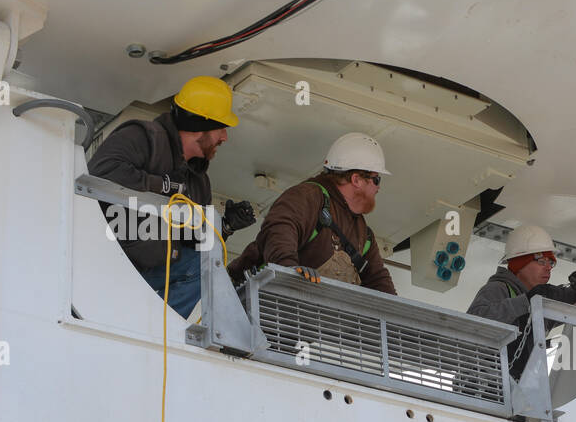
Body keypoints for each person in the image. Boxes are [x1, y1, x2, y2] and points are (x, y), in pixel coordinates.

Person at [88, 76, 253, 318]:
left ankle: (158, 327)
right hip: (105, 259)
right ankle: (147, 326)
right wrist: (166, 187)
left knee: (207, 267)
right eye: (221, 127)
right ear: (200, 124)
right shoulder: (143, 137)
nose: (224, 137)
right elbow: (101, 171)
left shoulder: (199, 181)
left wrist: (225, 228)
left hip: (148, 271)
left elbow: (196, 247)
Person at [227, 133, 396, 294]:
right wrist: (288, 271)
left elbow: (378, 280)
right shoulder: (307, 197)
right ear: (356, 179)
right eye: (376, 179)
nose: (378, 187)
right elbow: (279, 230)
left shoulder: (364, 235)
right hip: (265, 307)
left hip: (310, 318)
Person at [466, 224, 576, 379]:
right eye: (542, 261)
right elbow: (473, 323)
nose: (548, 267)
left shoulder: (542, 300)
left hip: (521, 390)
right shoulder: (498, 289)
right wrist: (526, 302)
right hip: (482, 385)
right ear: (519, 264)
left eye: (551, 263)